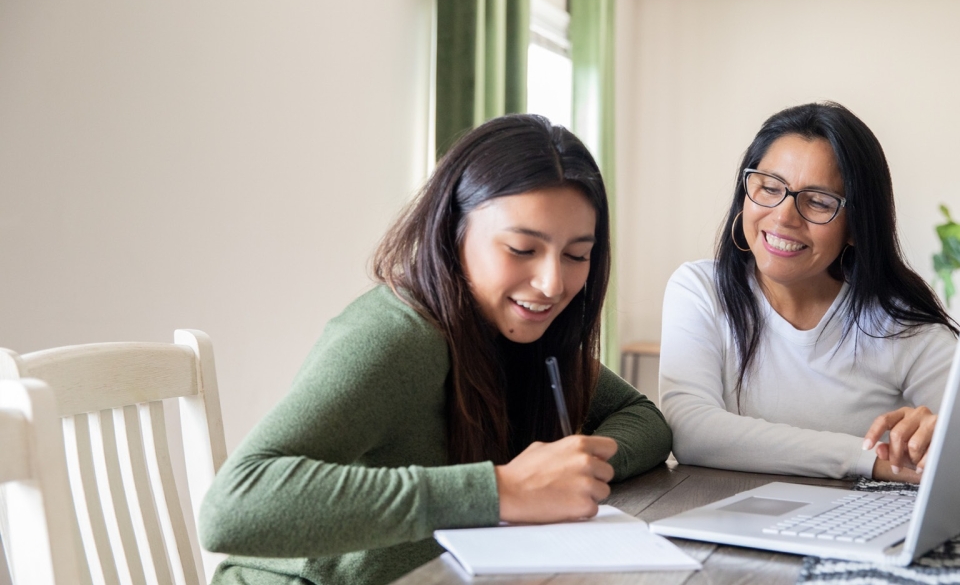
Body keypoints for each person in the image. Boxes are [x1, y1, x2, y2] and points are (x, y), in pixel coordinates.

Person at [200, 114, 673, 585]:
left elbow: (643, 419)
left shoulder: (524, 332)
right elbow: (232, 507)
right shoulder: (395, 336)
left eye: (576, 255)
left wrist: (569, 475)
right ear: (454, 231)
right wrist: (501, 489)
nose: (552, 284)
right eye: (522, 249)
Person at [659, 102, 958, 484]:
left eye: (818, 201)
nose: (784, 216)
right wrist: (869, 460)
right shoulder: (700, 291)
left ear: (856, 225)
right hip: (725, 522)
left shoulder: (900, 326)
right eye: (769, 187)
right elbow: (692, 433)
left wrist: (944, 433)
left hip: (854, 529)